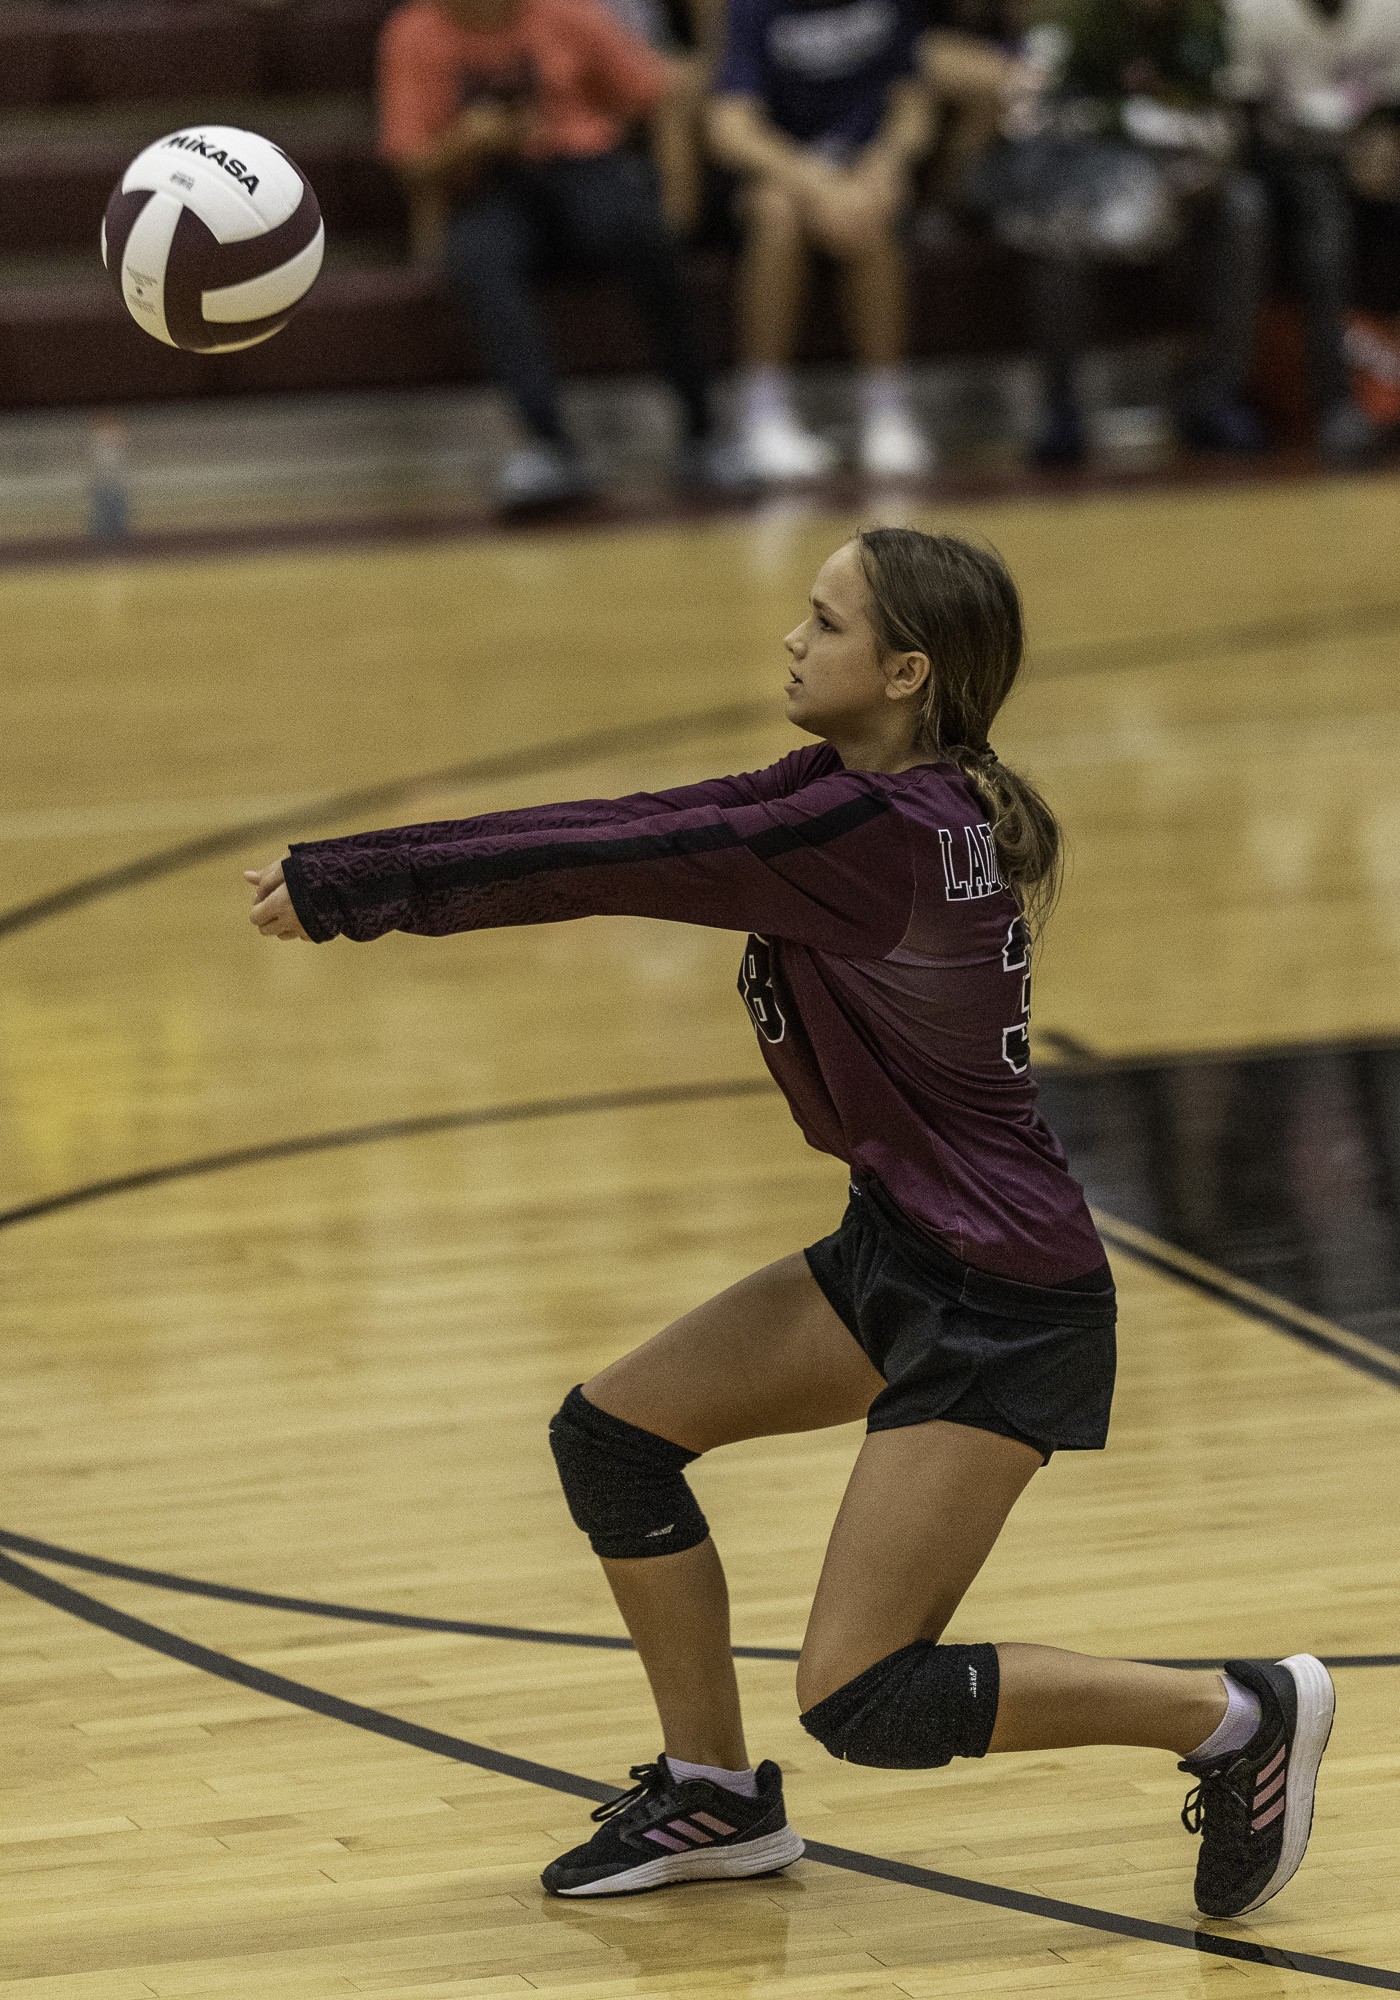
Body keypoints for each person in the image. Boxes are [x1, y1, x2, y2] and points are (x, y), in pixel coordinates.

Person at [246, 526, 1336, 1919]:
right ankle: (708, 1793)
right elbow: (645, 824)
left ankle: (1236, 1713)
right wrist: (373, 876)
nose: (791, 640)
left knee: (866, 1695)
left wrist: (359, 885)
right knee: (617, 1441)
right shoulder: (854, 793)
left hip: (1001, 1304)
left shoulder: (868, 836)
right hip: (905, 1251)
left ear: (904, 671)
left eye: (823, 623)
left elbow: (613, 862)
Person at [377, 0, 738, 510]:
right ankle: (549, 446)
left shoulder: (565, 12)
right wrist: (467, 143)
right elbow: (411, 163)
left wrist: (680, 202)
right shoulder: (414, 33)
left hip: (581, 172)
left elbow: (655, 88)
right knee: (478, 259)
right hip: (486, 187)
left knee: (641, 231)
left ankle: (703, 430)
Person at [970, 0, 1271, 466]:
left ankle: (1216, 399)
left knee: (1245, 206)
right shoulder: (1077, 24)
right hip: (1087, 179)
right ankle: (1061, 409)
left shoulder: (1211, 20)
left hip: (1181, 178)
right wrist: (1127, 127)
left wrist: (1190, 165)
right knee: (1054, 230)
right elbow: (1035, 118)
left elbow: (1225, 117)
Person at [705, 0, 936, 480]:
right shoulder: (754, 9)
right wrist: (815, 182)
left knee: (871, 213)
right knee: (777, 214)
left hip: (864, 167)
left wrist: (888, 162)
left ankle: (886, 409)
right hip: (784, 171)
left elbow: (914, 106)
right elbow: (730, 128)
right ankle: (763, 412)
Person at [1221, 0, 1400, 462]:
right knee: (1325, 229)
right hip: (1287, 163)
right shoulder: (1256, 11)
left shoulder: (1388, 11)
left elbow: (1389, 109)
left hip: (1370, 157)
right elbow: (1247, 118)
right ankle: (1336, 405)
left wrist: (1380, 148)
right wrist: (1315, 148)